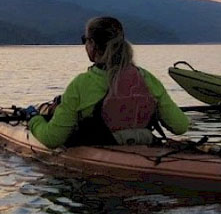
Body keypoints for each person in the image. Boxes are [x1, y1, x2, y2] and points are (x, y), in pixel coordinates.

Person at [24, 16, 189, 148]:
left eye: (85, 40)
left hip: (102, 151)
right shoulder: (146, 78)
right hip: (144, 145)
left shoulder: (82, 84)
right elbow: (180, 126)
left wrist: (33, 118)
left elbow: (52, 139)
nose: (85, 45)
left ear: (93, 45)